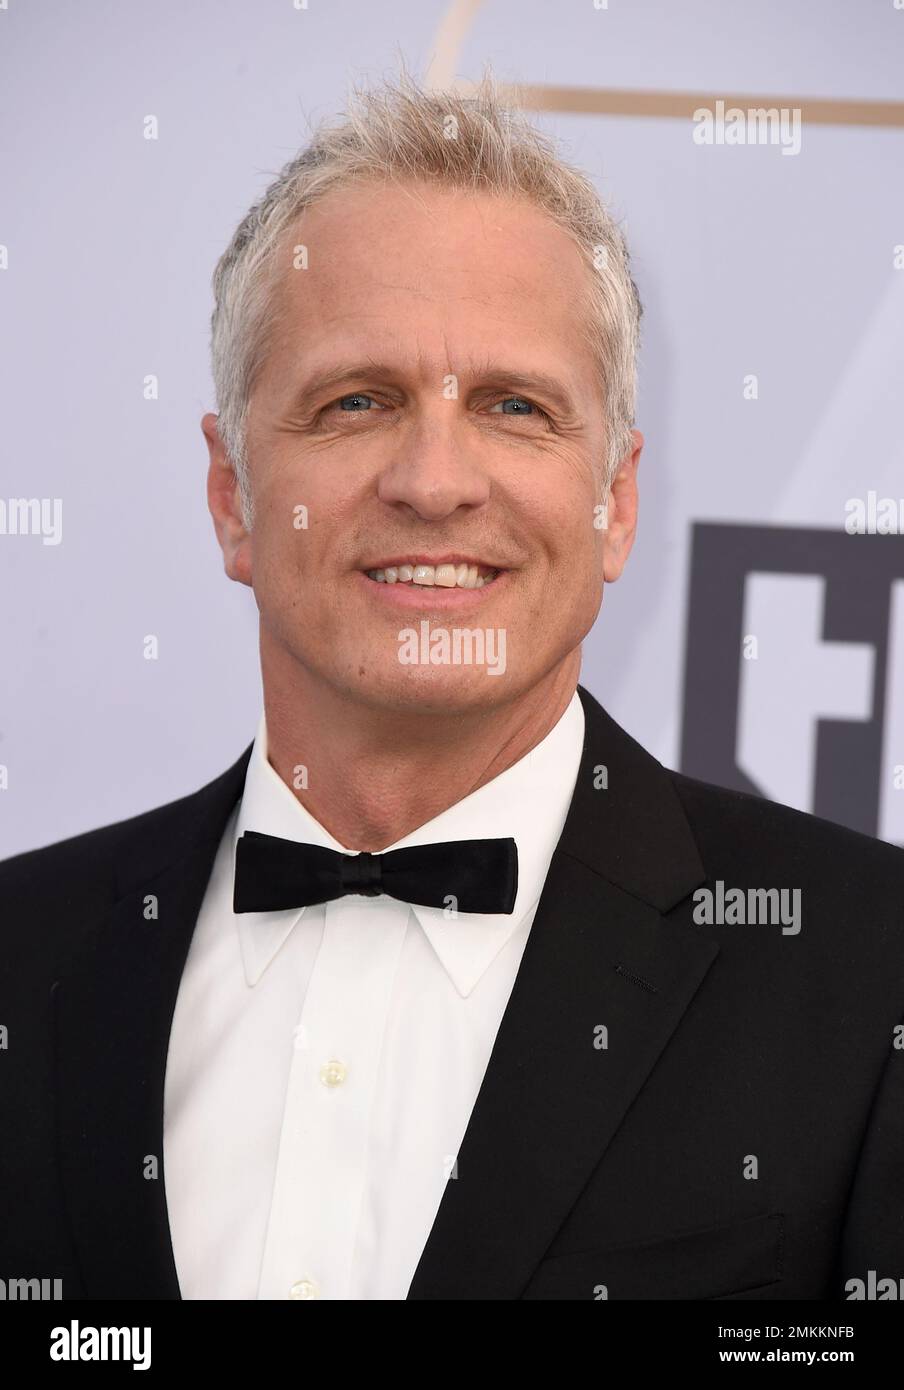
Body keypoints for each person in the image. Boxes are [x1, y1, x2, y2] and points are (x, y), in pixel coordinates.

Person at [2, 68, 903, 1302]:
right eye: (355, 401)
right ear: (232, 496)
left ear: (616, 503)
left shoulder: (868, 969)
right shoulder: (21, 952)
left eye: (514, 406)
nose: (434, 480)